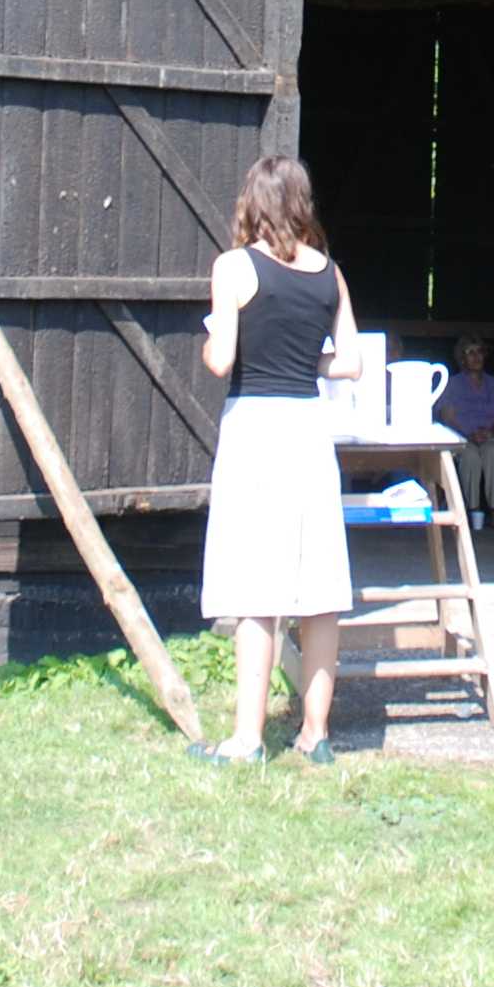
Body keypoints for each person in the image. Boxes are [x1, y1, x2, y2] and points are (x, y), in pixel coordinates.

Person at [195, 152, 367, 764]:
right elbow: (351, 362)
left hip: (256, 430)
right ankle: (315, 735)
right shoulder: (330, 274)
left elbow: (221, 361)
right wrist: (305, 364)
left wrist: (212, 334)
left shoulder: (234, 267)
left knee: (256, 586)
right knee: (318, 587)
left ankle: (247, 739)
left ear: (252, 203)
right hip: (307, 429)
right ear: (301, 203)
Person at [436, 336, 494, 526]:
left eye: (479, 352)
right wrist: (468, 434)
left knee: (493, 452)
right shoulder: (451, 384)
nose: (476, 357)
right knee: (470, 456)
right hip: (461, 437)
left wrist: (489, 433)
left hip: (490, 435)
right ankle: (473, 509)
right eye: (470, 353)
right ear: (462, 358)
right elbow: (447, 417)